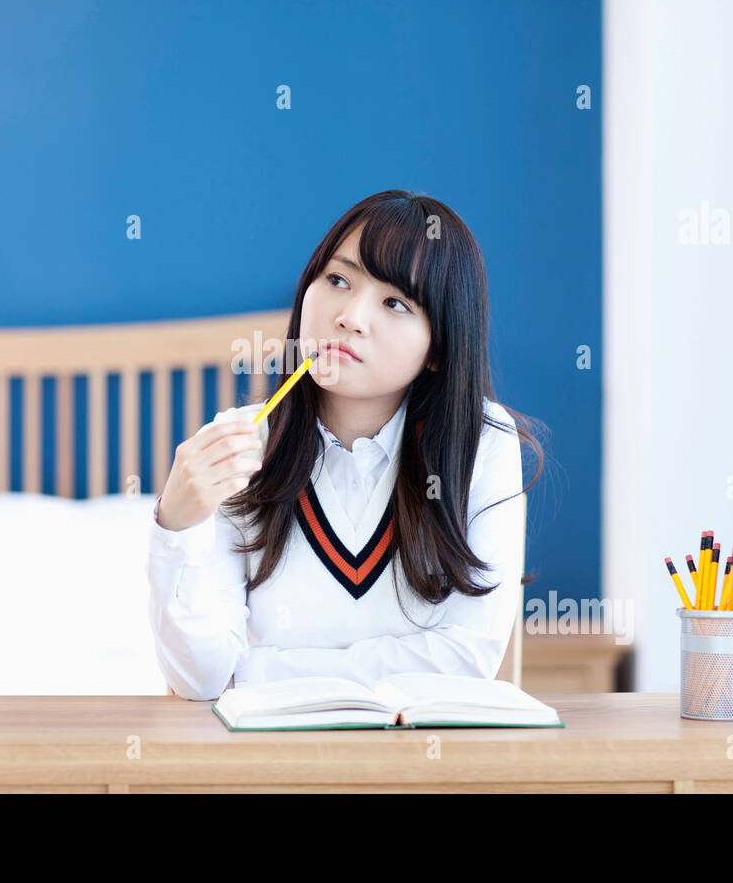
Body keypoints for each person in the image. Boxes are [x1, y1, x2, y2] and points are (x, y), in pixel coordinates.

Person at [148, 190, 544, 700]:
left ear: (438, 351)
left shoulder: (481, 444)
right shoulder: (242, 445)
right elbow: (200, 680)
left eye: (395, 303)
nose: (351, 316)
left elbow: (465, 660)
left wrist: (257, 673)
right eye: (337, 280)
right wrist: (175, 524)